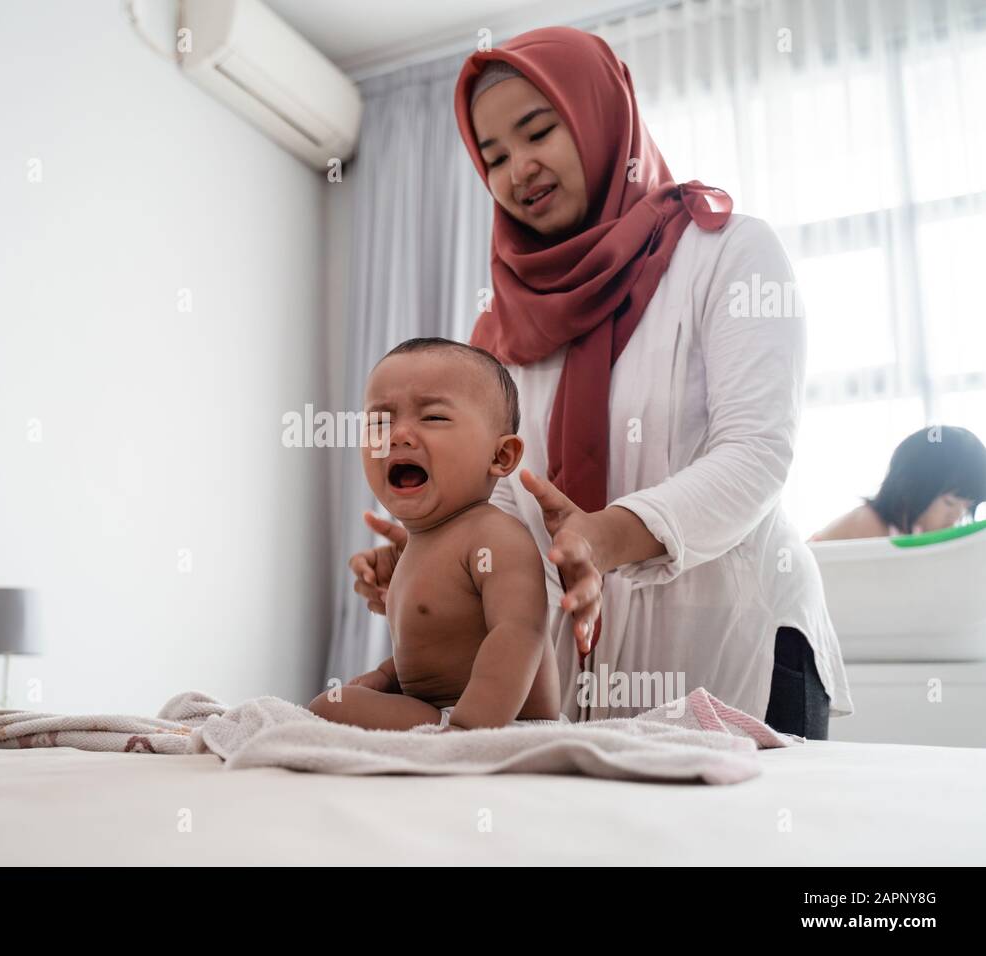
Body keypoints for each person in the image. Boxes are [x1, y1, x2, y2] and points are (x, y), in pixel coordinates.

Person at [347, 27, 851, 740]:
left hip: (733, 632)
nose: (518, 169)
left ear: (598, 115)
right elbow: (496, 505)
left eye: (537, 132)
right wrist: (430, 570)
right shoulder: (499, 325)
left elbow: (756, 454)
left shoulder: (728, 252)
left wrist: (606, 537)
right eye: (492, 157)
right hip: (571, 661)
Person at [310, 338, 560, 731]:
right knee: (334, 702)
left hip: (499, 721)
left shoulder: (495, 536)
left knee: (330, 706)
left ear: (501, 456)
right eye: (380, 421)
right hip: (439, 714)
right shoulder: (417, 547)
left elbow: (518, 632)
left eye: (433, 418)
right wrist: (386, 676)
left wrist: (468, 730)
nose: (398, 435)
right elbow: (435, 647)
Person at [811, 426, 986, 541]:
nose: (954, 518)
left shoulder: (914, 531)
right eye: (950, 503)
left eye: (966, 507)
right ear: (913, 488)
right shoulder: (869, 525)